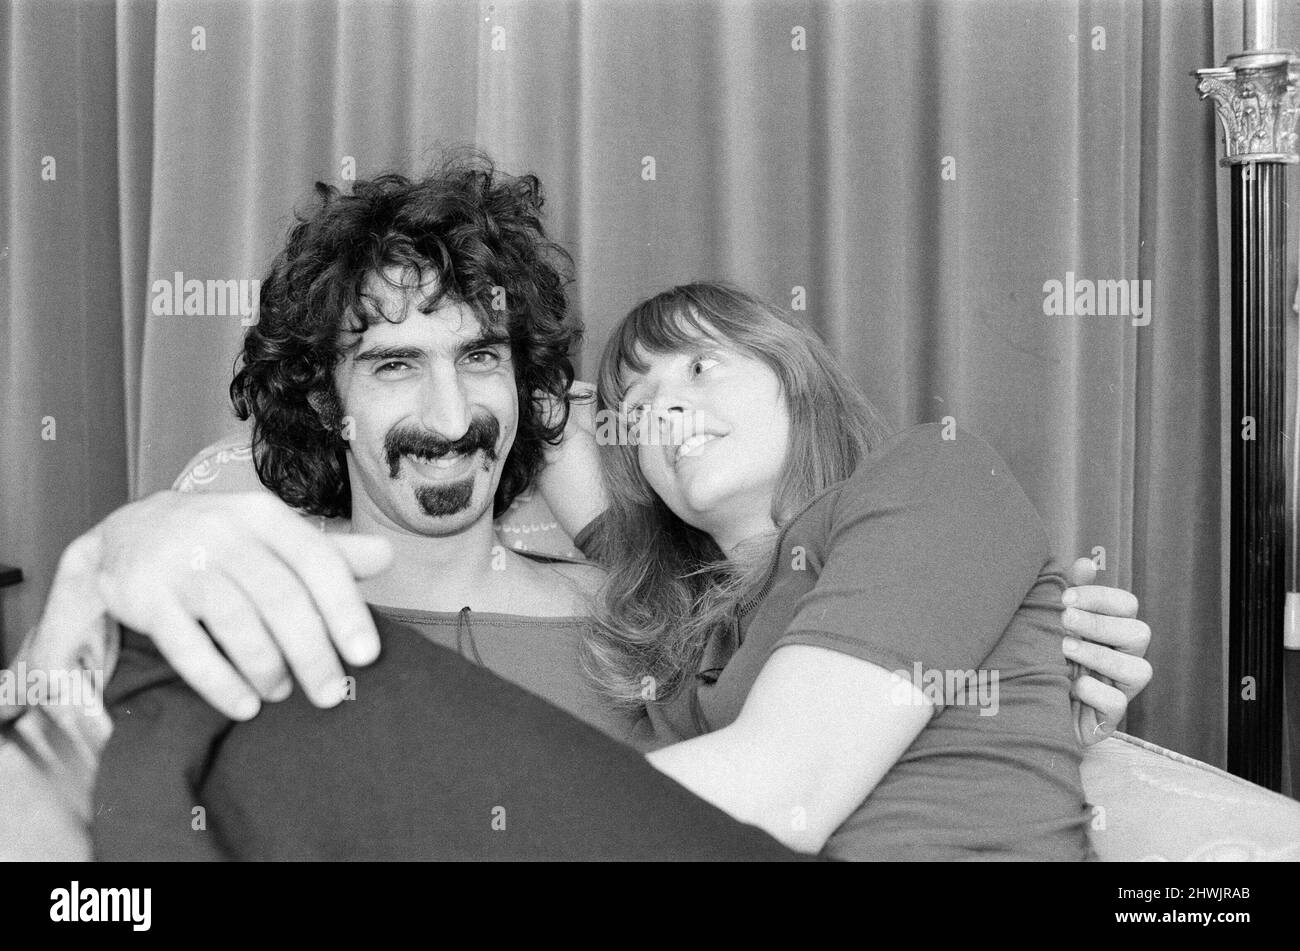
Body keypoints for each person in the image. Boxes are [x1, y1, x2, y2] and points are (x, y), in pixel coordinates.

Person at [7, 156, 1152, 860]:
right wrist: (122, 547)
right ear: (328, 399)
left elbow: (801, 757)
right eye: (395, 365)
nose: (450, 410)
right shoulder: (241, 588)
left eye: (482, 359)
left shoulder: (653, 629)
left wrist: (1023, 681)